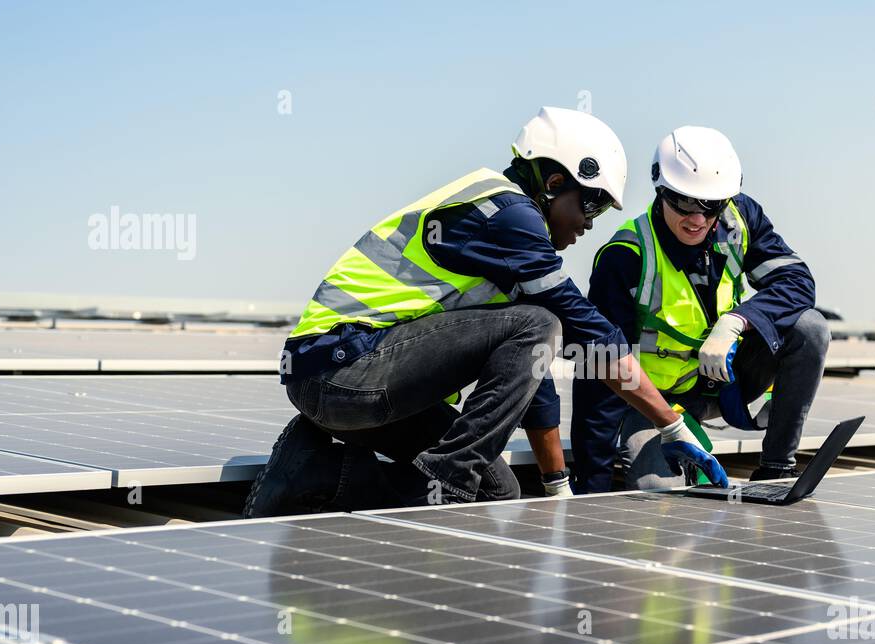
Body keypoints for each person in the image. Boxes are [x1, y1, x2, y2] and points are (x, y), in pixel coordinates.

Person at [244, 108, 727, 517]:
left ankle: (314, 472)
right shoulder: (507, 215)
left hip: (357, 389)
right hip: (340, 371)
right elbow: (589, 332)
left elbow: (532, 380)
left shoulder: (508, 247)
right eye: (590, 206)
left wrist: (556, 486)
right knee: (540, 324)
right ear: (555, 181)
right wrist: (672, 425)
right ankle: (444, 487)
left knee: (500, 491)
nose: (587, 225)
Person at [571, 126, 829, 493]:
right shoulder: (626, 257)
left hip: (725, 383)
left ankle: (776, 468)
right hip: (655, 404)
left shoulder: (738, 219)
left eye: (710, 206)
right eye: (684, 203)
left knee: (810, 329)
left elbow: (798, 282)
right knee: (658, 493)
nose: (697, 219)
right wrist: (590, 491)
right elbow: (599, 372)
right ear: (660, 190)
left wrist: (738, 322)